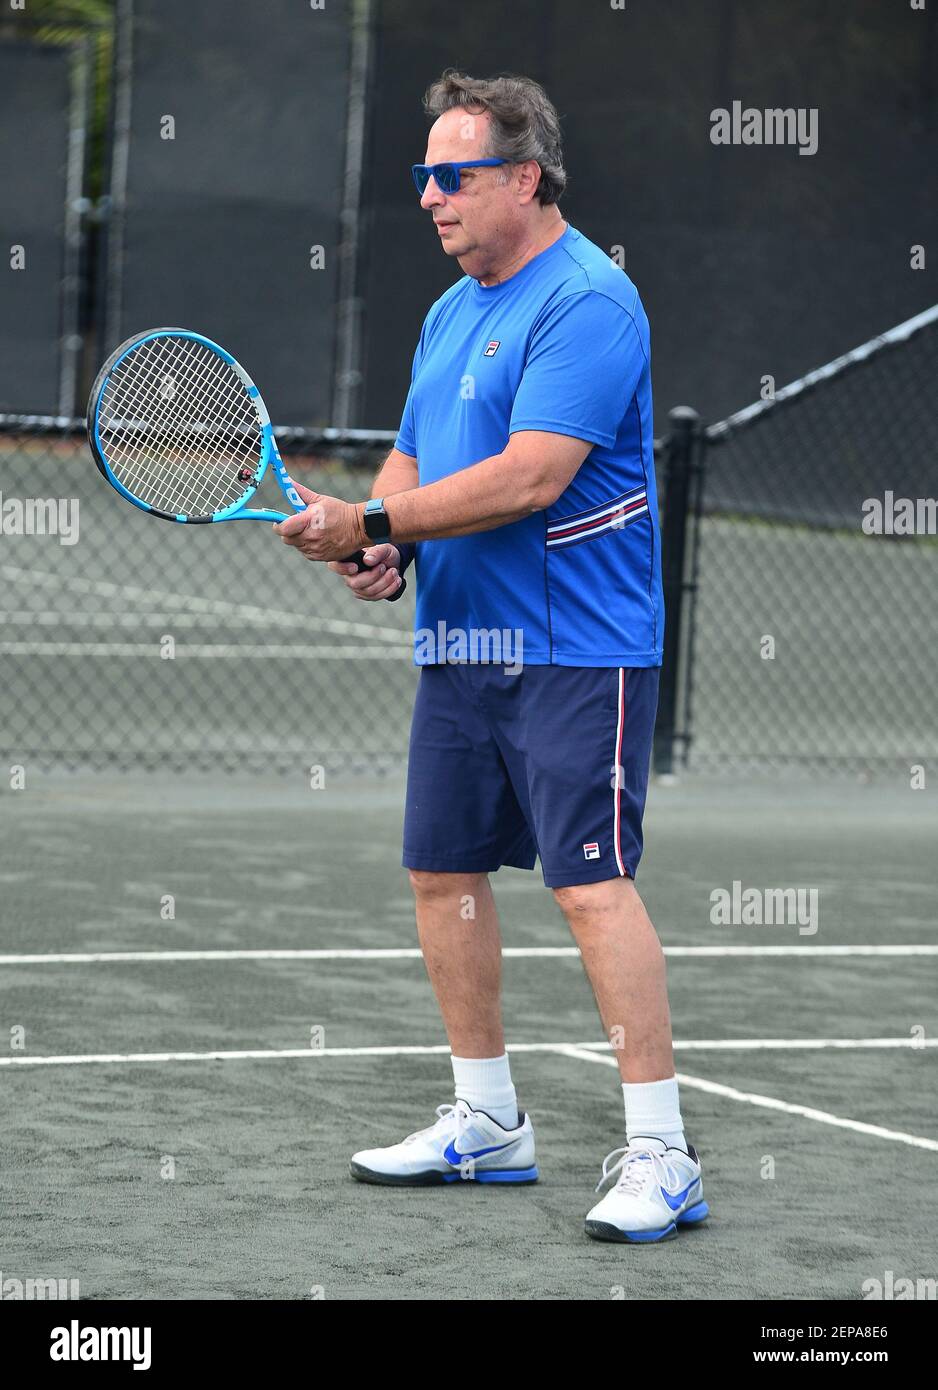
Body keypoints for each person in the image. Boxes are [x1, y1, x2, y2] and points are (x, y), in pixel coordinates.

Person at [275, 70, 707, 1244]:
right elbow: (415, 454)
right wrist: (387, 541)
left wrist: (365, 525)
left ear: (523, 176)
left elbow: (529, 475)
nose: (429, 197)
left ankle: (661, 1151)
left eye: (452, 175)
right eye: (423, 176)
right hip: (459, 643)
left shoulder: (590, 301)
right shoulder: (449, 304)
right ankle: (487, 1123)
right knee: (441, 874)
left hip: (578, 648)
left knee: (586, 884)